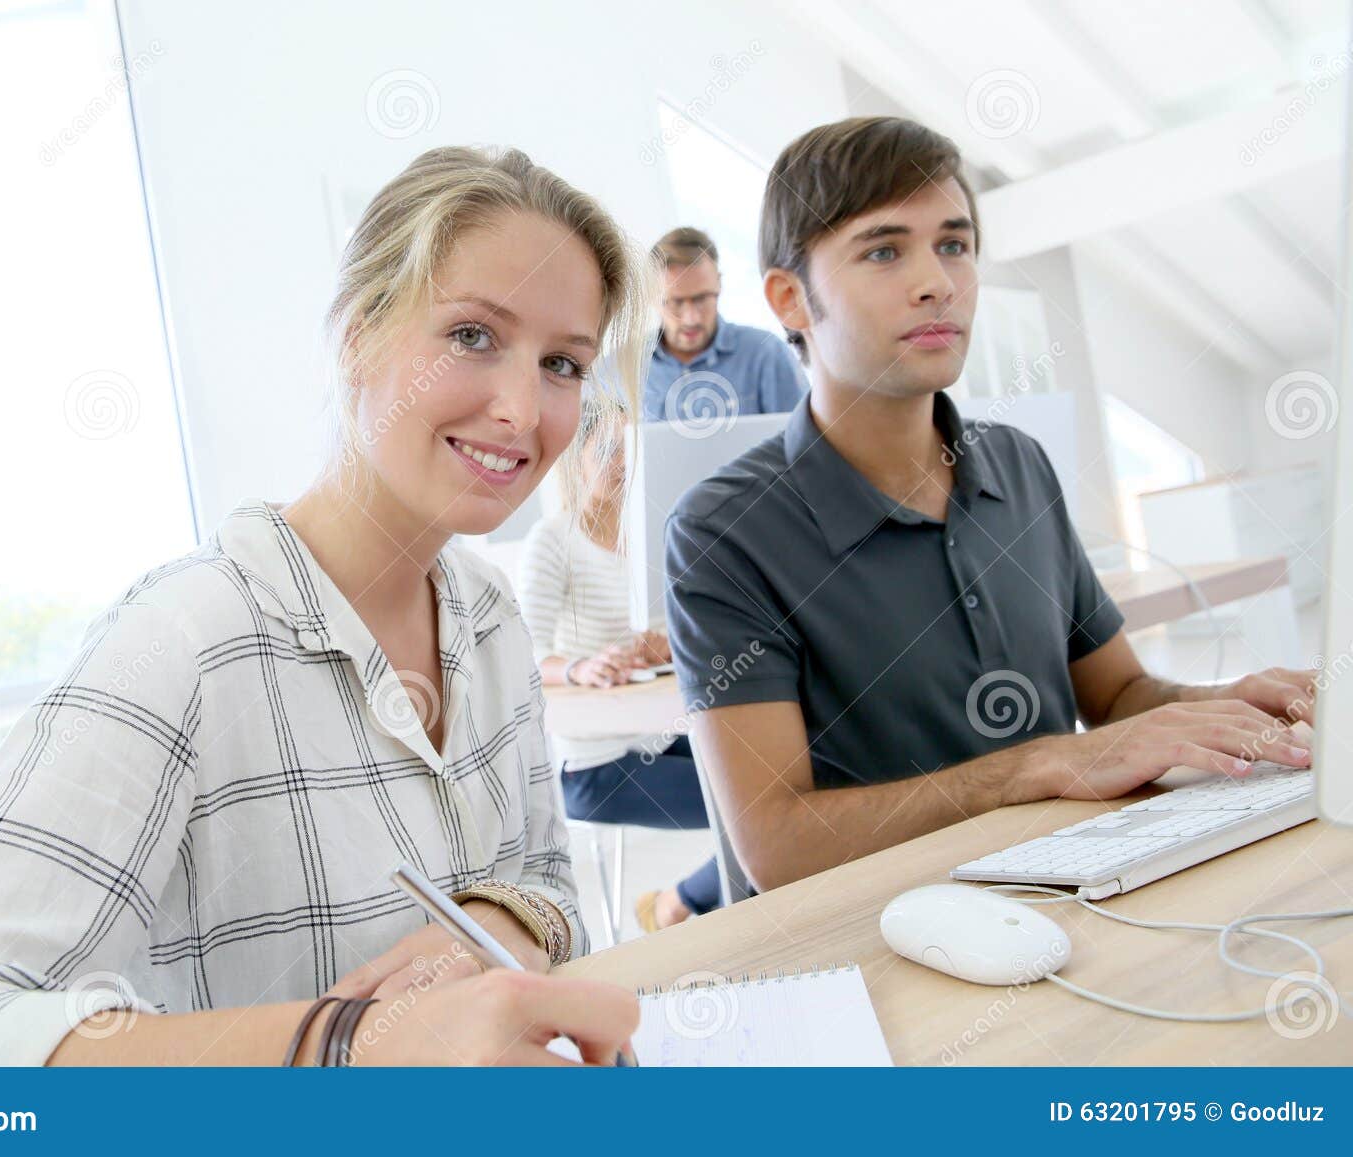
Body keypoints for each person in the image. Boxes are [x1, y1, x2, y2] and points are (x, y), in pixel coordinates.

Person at [0, 145, 653, 1067]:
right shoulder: (186, 640)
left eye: (564, 363)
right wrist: (350, 1046)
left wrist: (501, 924)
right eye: (473, 336)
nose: (524, 408)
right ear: (358, 332)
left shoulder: (488, 611)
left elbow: (547, 877)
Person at [664, 116, 1319, 895]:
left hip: (1075, 894)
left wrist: (1223, 704)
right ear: (789, 299)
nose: (937, 279)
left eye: (954, 243)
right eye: (883, 250)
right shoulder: (723, 530)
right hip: (882, 939)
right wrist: (1037, 762)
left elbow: (1115, 696)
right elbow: (774, 844)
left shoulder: (1018, 463)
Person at [517, 394, 718, 933]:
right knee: (746, 812)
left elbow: (678, 629)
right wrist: (580, 668)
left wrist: (665, 645)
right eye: (605, 448)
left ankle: (676, 902)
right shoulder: (553, 540)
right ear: (577, 456)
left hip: (652, 736)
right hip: (596, 767)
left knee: (766, 780)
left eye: (627, 447)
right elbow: (523, 656)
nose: (620, 461)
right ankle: (675, 905)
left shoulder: (648, 534)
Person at [642, 226, 806, 423]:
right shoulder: (617, 373)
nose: (691, 319)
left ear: (719, 284)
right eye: (675, 302)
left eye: (702, 298)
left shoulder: (767, 354)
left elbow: (805, 446)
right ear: (651, 294)